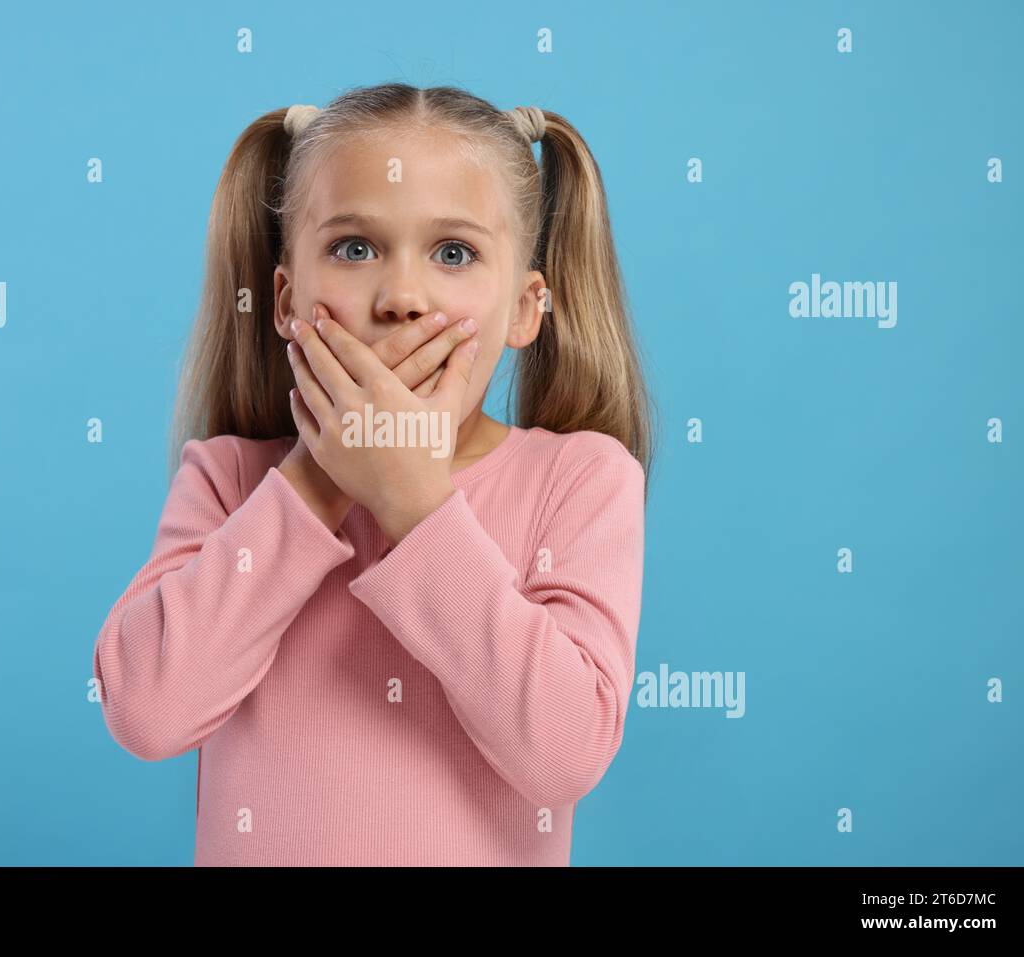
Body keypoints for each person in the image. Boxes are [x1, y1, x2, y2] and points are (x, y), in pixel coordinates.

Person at [92, 82, 656, 865]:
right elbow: (147, 710)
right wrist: (321, 478)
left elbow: (564, 753)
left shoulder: (580, 479)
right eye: (355, 248)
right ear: (286, 299)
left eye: (453, 253)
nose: (401, 298)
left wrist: (415, 501)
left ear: (525, 310)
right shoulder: (230, 478)